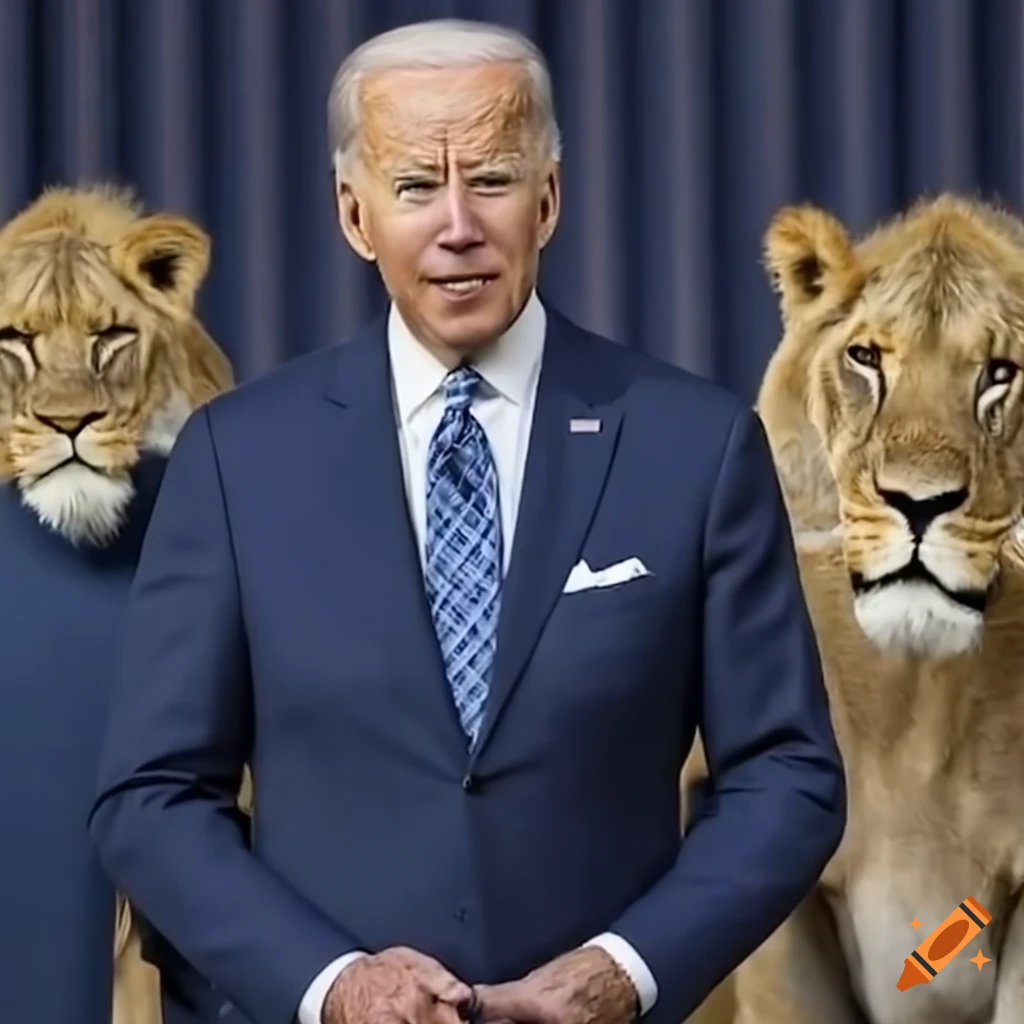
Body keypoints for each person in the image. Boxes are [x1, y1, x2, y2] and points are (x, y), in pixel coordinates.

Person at [88, 18, 846, 1024]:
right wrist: (332, 986)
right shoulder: (237, 459)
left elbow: (785, 775)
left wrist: (625, 968)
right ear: (354, 214)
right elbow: (150, 798)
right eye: (414, 187)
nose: (457, 225)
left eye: (490, 178)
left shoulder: (694, 446)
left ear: (549, 198)